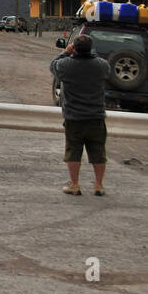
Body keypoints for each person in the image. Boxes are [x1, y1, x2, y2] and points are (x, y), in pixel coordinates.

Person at [50, 33, 111, 195]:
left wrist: (66, 51)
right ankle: (99, 185)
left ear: (74, 48)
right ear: (91, 48)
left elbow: (53, 66)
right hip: (96, 116)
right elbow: (107, 71)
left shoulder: (65, 65)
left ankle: (75, 184)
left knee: (73, 152)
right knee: (98, 152)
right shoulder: (102, 65)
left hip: (73, 117)